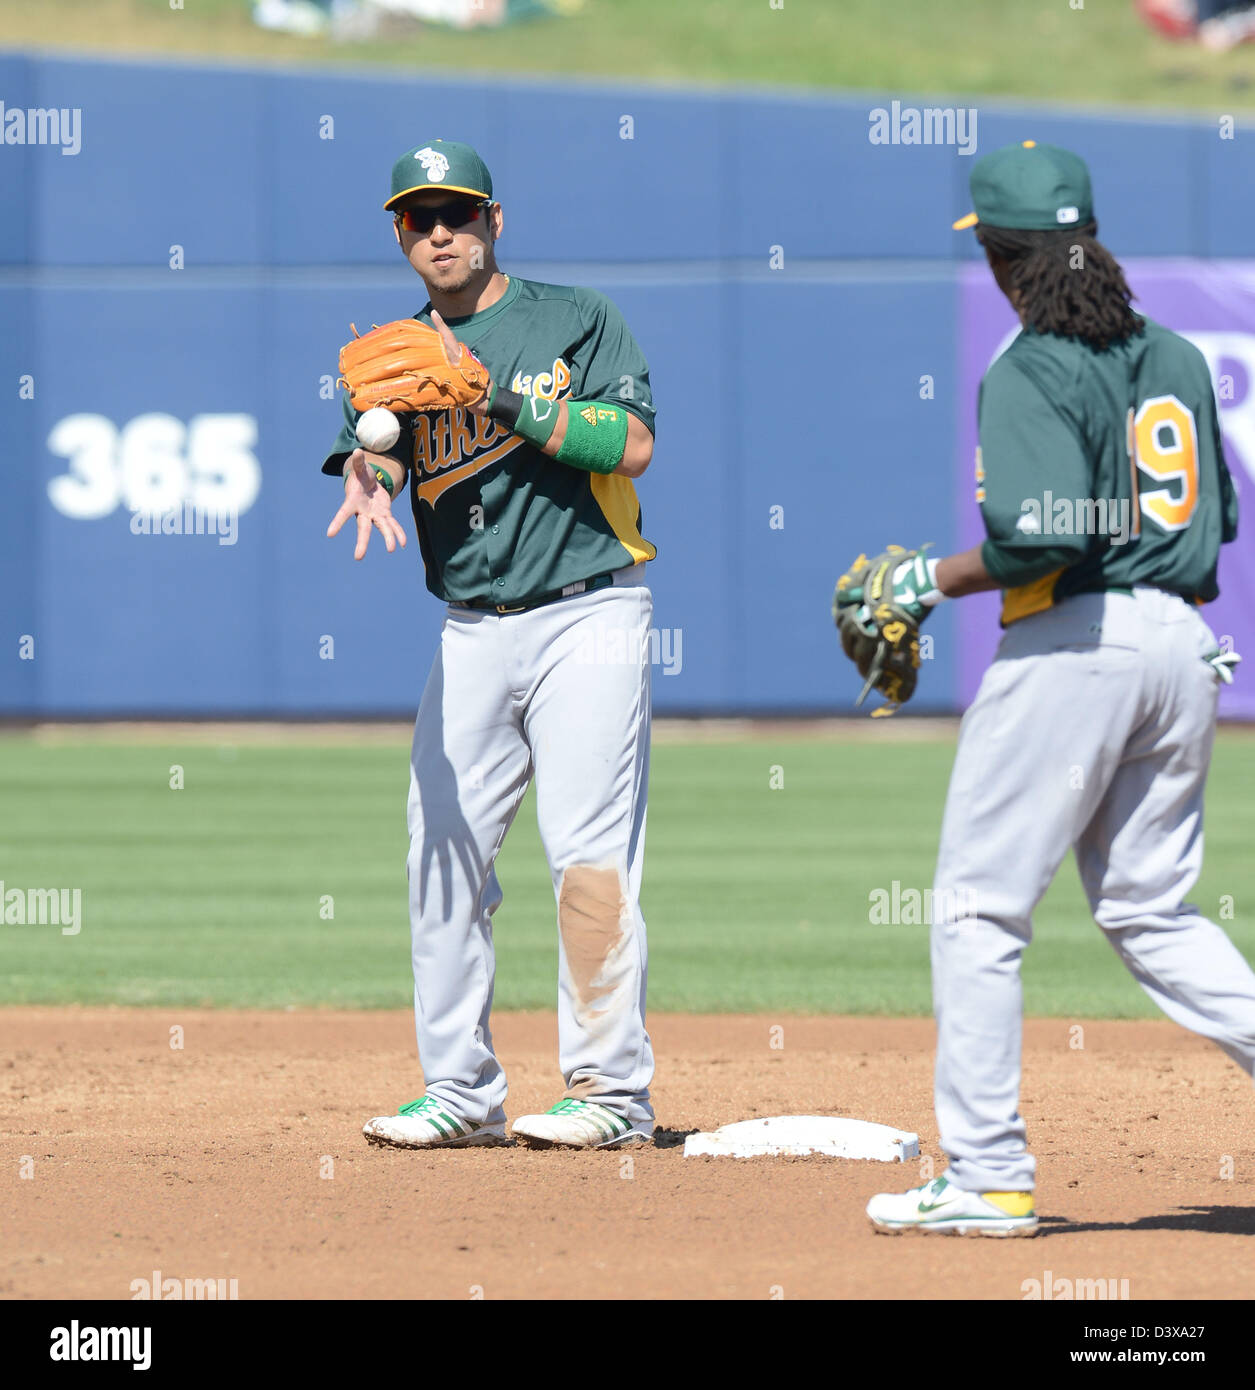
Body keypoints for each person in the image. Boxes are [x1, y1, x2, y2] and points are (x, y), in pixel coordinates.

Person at [863, 140, 1252, 1235]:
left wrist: (924, 580)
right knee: (1148, 908)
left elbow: (1035, 537)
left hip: (1076, 647)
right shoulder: (1171, 353)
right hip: (1185, 644)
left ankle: (984, 1177)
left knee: (979, 911)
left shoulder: (1031, 363)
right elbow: (1215, 527)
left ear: (998, 256)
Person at [323, 139, 658, 1151]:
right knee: (441, 860)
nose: (440, 232)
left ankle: (610, 1092)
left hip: (588, 613)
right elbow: (380, 454)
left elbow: (633, 443)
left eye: (457, 213)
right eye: (419, 217)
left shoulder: (573, 318)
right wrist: (363, 477)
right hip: (469, 627)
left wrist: (497, 396)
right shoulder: (387, 357)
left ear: (493, 221)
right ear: (397, 233)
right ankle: (461, 1090)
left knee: (588, 855)